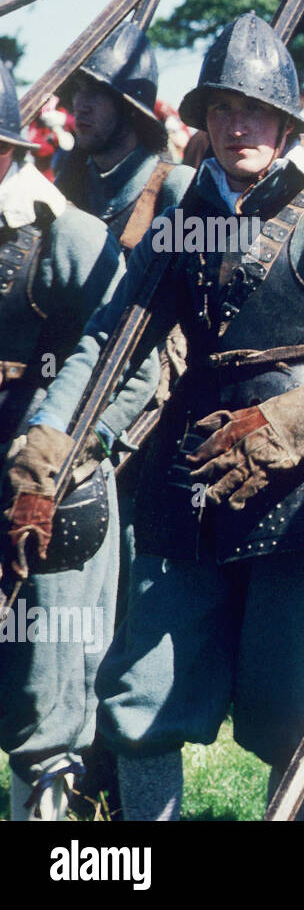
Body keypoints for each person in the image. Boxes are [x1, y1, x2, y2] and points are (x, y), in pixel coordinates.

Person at [16, 12, 304, 821]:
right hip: (189, 486)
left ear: (284, 121)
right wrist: (48, 451)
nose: (239, 126)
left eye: (256, 110)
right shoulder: (178, 220)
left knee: (302, 713)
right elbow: (111, 341)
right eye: (223, 109)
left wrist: (286, 427)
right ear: (203, 120)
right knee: (139, 699)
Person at [0, 58, 156, 822]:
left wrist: (69, 455)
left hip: (55, 499)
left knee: (47, 695)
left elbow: (133, 367)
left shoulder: (70, 236)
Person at [56, 22, 193, 249]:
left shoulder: (173, 189)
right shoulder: (71, 183)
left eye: (97, 92)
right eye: (78, 90)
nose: (80, 105)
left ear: (130, 108)